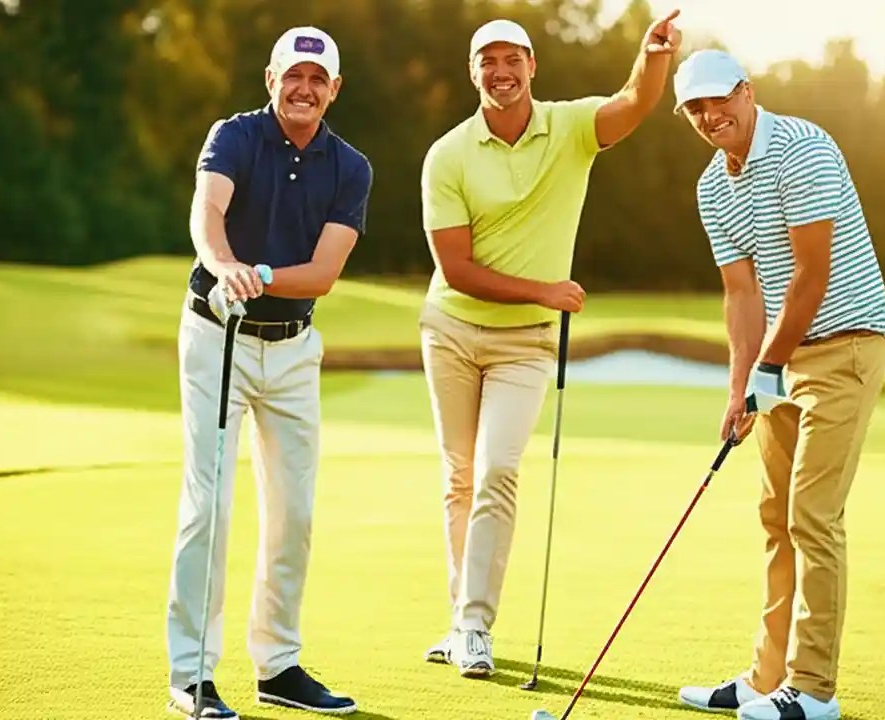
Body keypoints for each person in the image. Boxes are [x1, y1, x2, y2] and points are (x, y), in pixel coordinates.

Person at [417, 12, 683, 678]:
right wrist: (543, 289)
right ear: (473, 72)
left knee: (497, 471)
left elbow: (634, 103)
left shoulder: (569, 128)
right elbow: (457, 270)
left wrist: (652, 56)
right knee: (460, 478)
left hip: (525, 347)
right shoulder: (448, 155)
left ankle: (474, 625)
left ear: (533, 66)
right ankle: (461, 620)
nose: (501, 72)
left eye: (513, 60)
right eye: (489, 62)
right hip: (450, 330)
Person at [670, 49, 885, 720]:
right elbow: (742, 294)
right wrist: (738, 387)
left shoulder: (802, 147)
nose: (710, 115)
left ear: (748, 92)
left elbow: (811, 275)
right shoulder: (713, 186)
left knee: (812, 517)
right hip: (784, 356)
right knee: (775, 518)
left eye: (720, 100)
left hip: (847, 347)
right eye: (695, 108)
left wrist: (767, 367)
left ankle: (814, 691)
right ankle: (766, 676)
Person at [163, 25, 373, 719]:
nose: (304, 88)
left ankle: (277, 664)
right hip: (216, 333)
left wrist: (254, 272)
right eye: (293, 76)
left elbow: (323, 273)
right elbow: (207, 209)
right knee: (211, 504)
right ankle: (192, 675)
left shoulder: (351, 167)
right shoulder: (235, 136)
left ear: (334, 89)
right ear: (272, 79)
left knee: (295, 512)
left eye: (318, 79)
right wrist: (222, 264)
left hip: (291, 349)